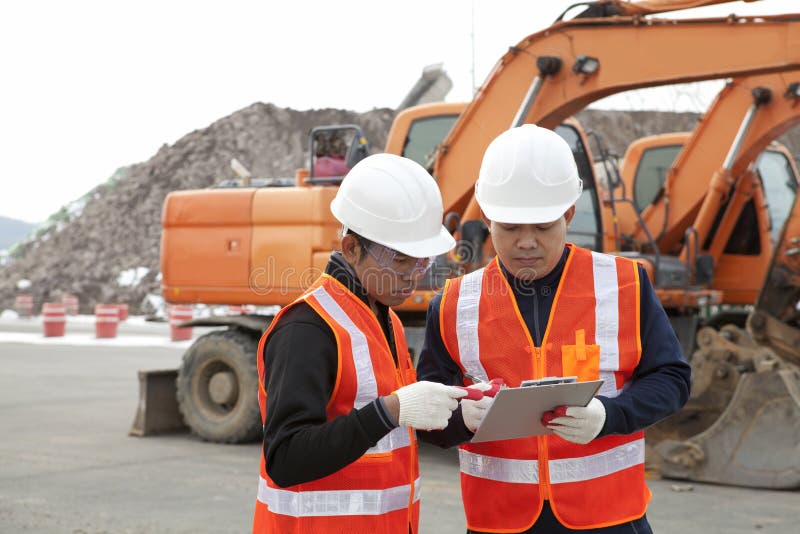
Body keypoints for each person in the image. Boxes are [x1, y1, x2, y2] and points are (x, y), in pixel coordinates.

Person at [416, 125, 691, 533]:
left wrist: (610, 415)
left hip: (609, 518)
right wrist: (458, 418)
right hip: (500, 521)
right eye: (509, 228)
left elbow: (672, 379)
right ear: (488, 219)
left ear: (569, 215)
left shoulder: (624, 284)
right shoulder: (453, 303)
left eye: (543, 227)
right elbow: (428, 415)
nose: (526, 242)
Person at [252, 153, 467, 534]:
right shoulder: (307, 329)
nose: (414, 276)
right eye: (401, 261)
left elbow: (392, 438)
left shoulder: (388, 320)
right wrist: (389, 411)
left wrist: (460, 414)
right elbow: (285, 459)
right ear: (351, 248)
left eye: (424, 262)